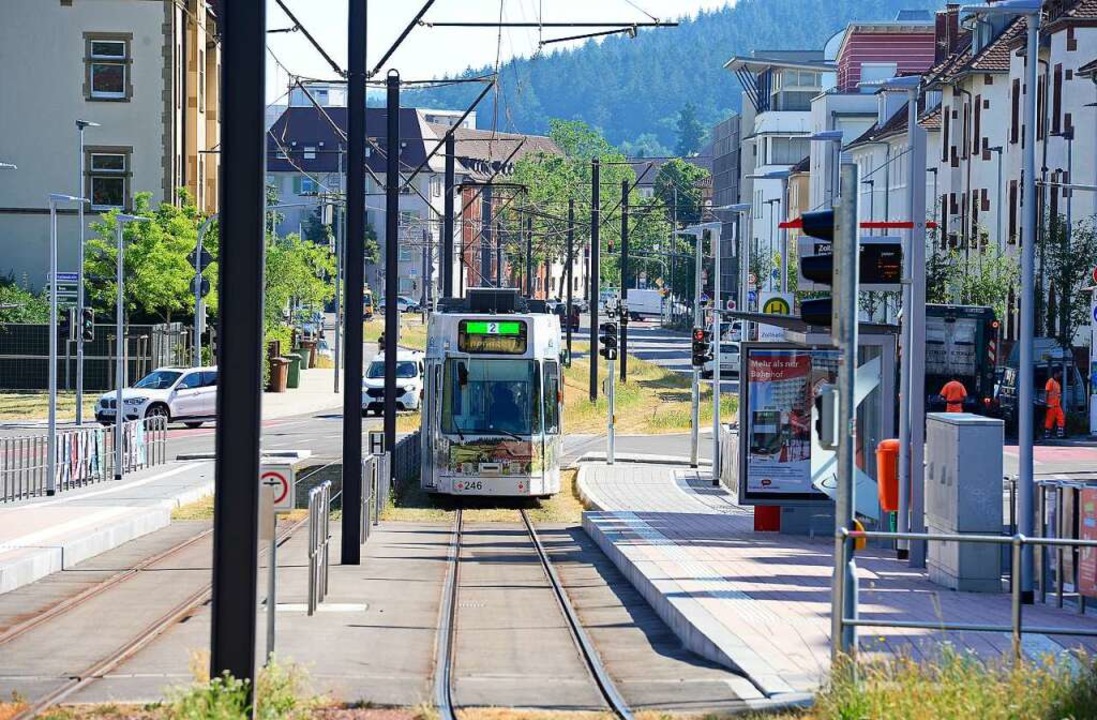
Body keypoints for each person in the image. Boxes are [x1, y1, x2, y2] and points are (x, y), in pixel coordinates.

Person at [1045, 367, 1066, 439]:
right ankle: (1047, 434)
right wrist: (1046, 403)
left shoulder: (1057, 383)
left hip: (1057, 405)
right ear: (1056, 373)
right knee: (1049, 420)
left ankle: (1060, 434)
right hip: (1051, 405)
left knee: (1061, 418)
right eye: (1060, 374)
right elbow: (1047, 392)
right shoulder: (1050, 381)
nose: (1060, 376)